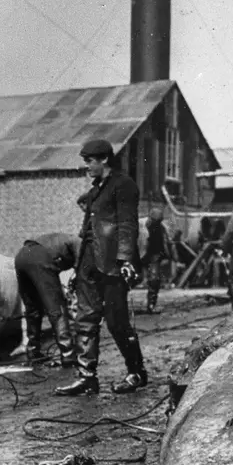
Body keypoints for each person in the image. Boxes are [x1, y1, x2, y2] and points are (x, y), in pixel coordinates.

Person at [55, 139, 147, 397]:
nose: (86, 166)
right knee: (85, 318)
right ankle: (86, 377)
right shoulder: (95, 191)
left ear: (104, 159)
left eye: (89, 161)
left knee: (117, 322)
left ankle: (136, 373)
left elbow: (127, 224)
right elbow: (86, 232)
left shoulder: (123, 185)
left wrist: (126, 260)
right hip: (89, 264)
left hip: (113, 264)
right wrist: (78, 269)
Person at [14, 232, 81, 367]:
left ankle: (33, 352)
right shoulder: (80, 243)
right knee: (56, 309)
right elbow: (83, 272)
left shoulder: (65, 239)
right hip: (41, 258)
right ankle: (68, 354)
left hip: (21, 256)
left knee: (32, 309)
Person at [141, 207, 176, 314]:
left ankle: (151, 304)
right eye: (155, 221)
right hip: (138, 252)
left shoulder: (162, 229)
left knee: (154, 279)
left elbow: (167, 243)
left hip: (154, 254)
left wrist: (169, 255)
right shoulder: (141, 226)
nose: (156, 224)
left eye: (158, 222)